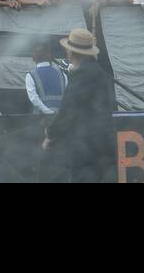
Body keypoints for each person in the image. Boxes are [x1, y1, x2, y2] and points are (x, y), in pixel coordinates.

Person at [42, 27, 115, 183]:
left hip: (86, 149)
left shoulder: (82, 75)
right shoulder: (99, 73)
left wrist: (51, 133)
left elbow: (68, 109)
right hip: (101, 146)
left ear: (71, 52)